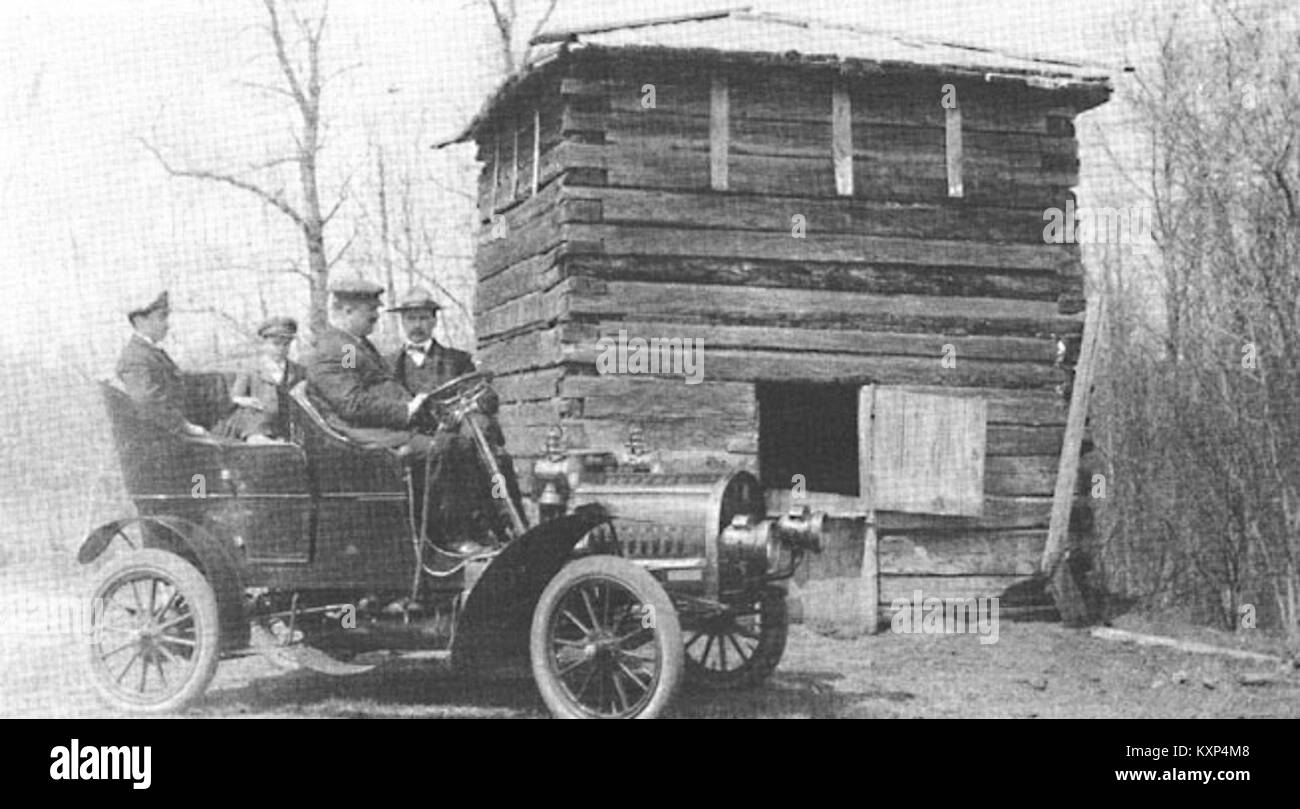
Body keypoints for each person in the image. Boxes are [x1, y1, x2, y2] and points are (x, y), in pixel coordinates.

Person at [304, 277, 489, 556]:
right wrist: (407, 410)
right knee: (446, 448)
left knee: (459, 442)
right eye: (371, 311)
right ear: (346, 311)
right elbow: (351, 404)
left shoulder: (354, 345)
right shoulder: (342, 349)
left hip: (380, 429)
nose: (377, 317)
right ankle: (447, 537)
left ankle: (473, 527)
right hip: (362, 439)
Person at [116, 291, 208, 437]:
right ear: (140, 321)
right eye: (162, 317)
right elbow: (146, 401)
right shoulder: (135, 358)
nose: (167, 325)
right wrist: (184, 426)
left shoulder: (150, 353)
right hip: (168, 437)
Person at [215, 316, 305, 443]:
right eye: (276, 344)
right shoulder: (251, 369)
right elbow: (235, 397)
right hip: (259, 424)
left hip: (288, 426)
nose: (281, 349)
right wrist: (247, 401)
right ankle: (261, 440)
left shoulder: (298, 371)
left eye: (286, 344)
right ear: (264, 344)